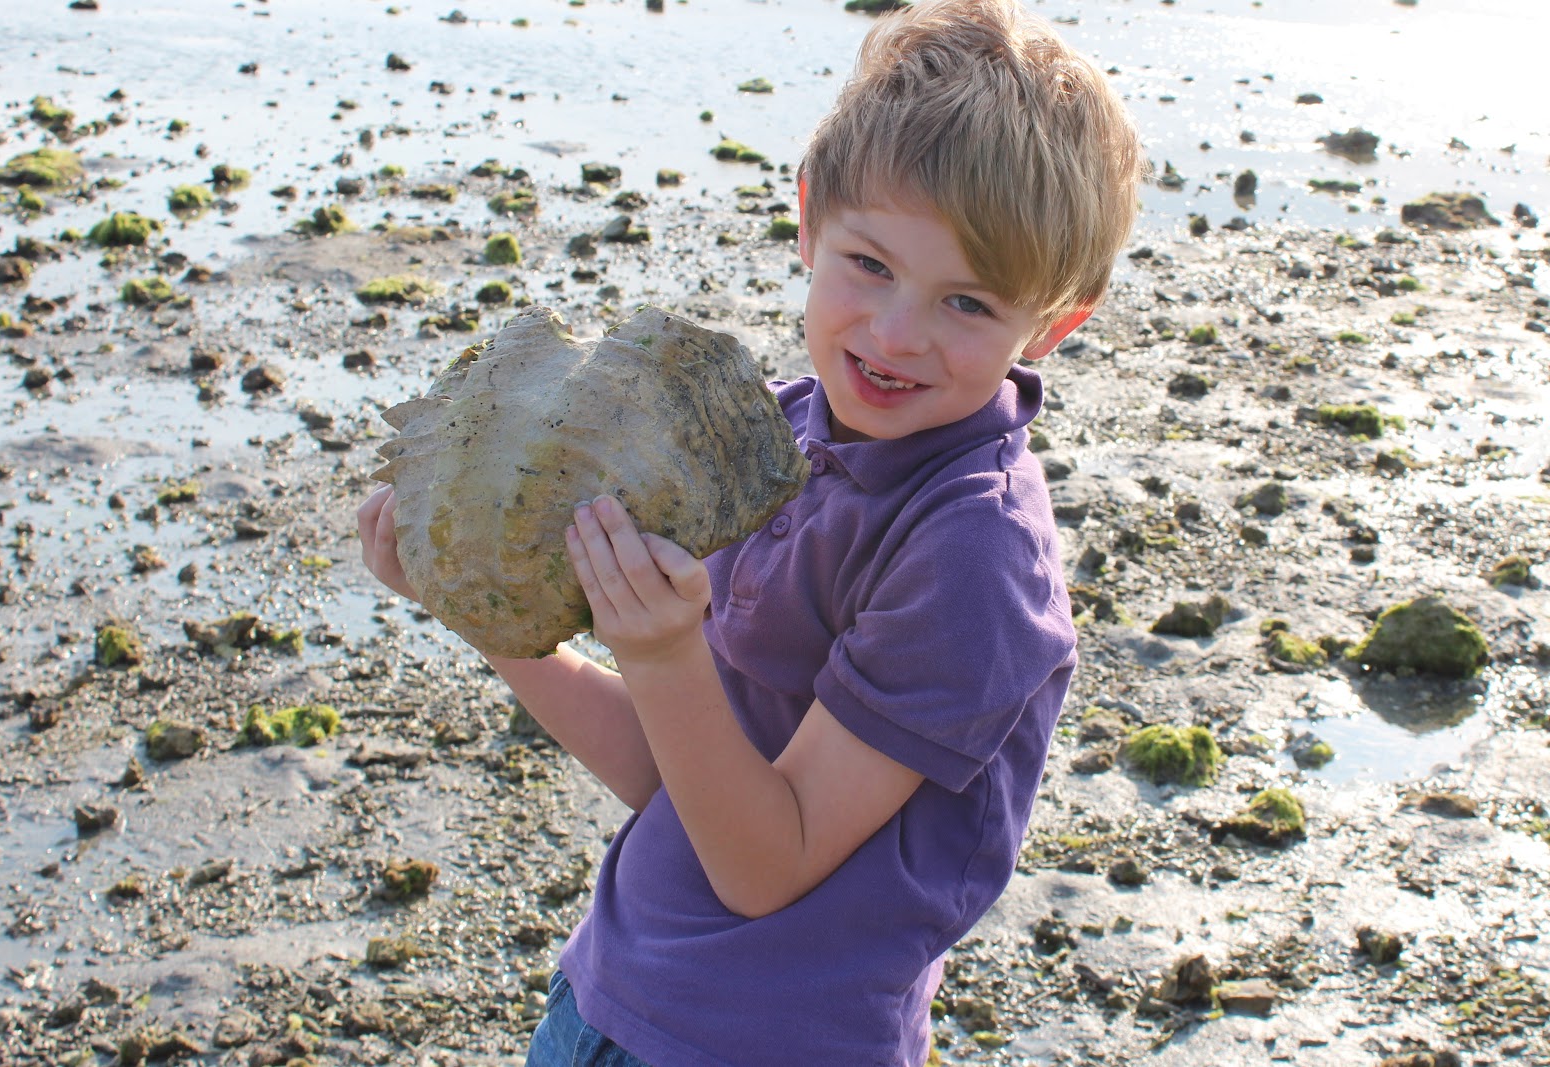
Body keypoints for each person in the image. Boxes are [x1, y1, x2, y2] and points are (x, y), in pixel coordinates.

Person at [359, 0, 1143, 1062]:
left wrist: (661, 649)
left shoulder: (973, 558)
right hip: (606, 997)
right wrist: (488, 616)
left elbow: (766, 861)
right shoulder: (757, 443)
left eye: (968, 302)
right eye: (869, 264)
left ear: (1054, 321)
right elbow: (676, 772)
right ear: (810, 216)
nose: (895, 332)